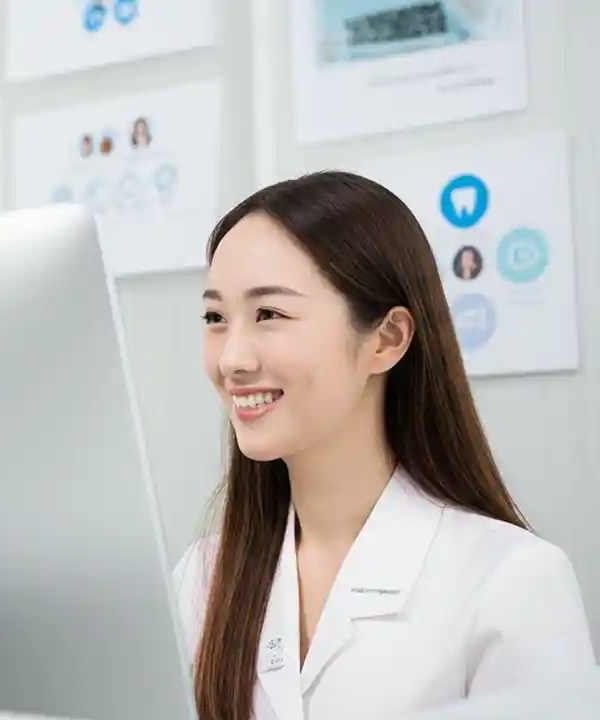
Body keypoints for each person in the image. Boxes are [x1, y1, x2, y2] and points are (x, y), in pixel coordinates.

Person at [175, 172, 594, 720]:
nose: (232, 359)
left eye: (269, 314)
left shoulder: (512, 580)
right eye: (215, 318)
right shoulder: (202, 578)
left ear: (388, 338)